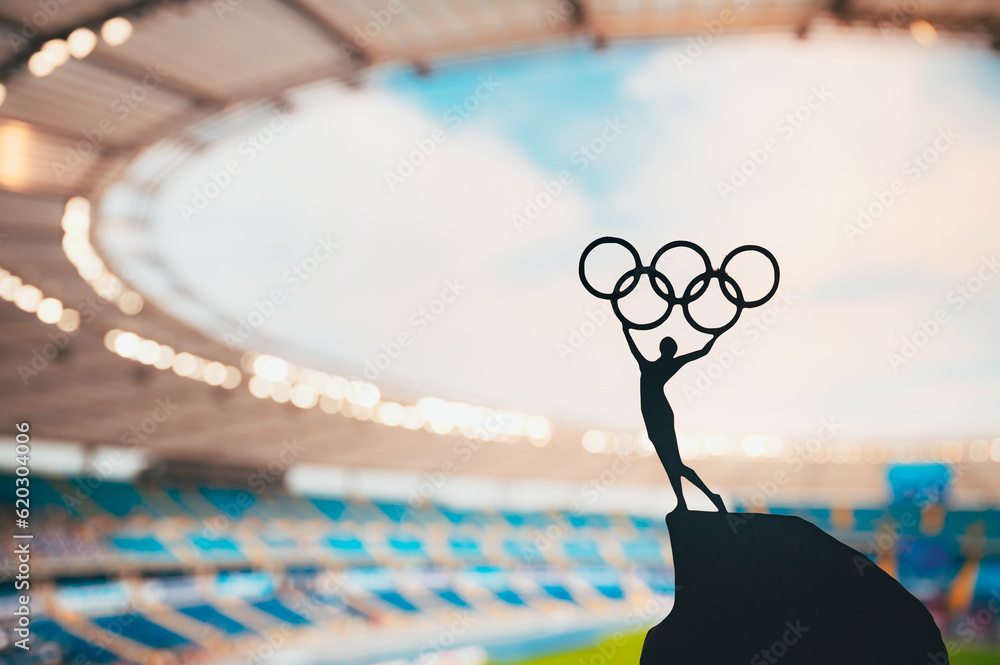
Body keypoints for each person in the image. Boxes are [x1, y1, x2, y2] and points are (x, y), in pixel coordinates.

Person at [623, 324, 727, 512]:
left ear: (662, 349)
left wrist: (626, 329)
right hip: (656, 417)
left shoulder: (648, 366)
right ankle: (683, 502)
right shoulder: (666, 364)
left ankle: (707, 497)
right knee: (670, 464)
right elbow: (702, 351)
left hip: (657, 417)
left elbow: (633, 347)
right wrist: (715, 335)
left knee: (674, 463)